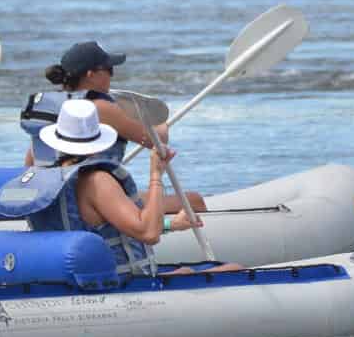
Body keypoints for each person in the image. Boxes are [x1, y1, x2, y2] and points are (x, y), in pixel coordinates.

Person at [27, 99, 234, 277]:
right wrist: (156, 175)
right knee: (232, 269)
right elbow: (149, 234)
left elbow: (100, 228)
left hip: (71, 278)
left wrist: (171, 223)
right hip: (116, 282)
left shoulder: (43, 178)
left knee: (189, 272)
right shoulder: (97, 181)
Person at [19, 40, 204, 213]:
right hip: (93, 199)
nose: (111, 75)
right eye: (109, 69)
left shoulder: (50, 106)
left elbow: (30, 161)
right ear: (90, 74)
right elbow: (157, 139)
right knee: (195, 201)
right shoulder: (100, 107)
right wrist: (154, 116)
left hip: (52, 199)